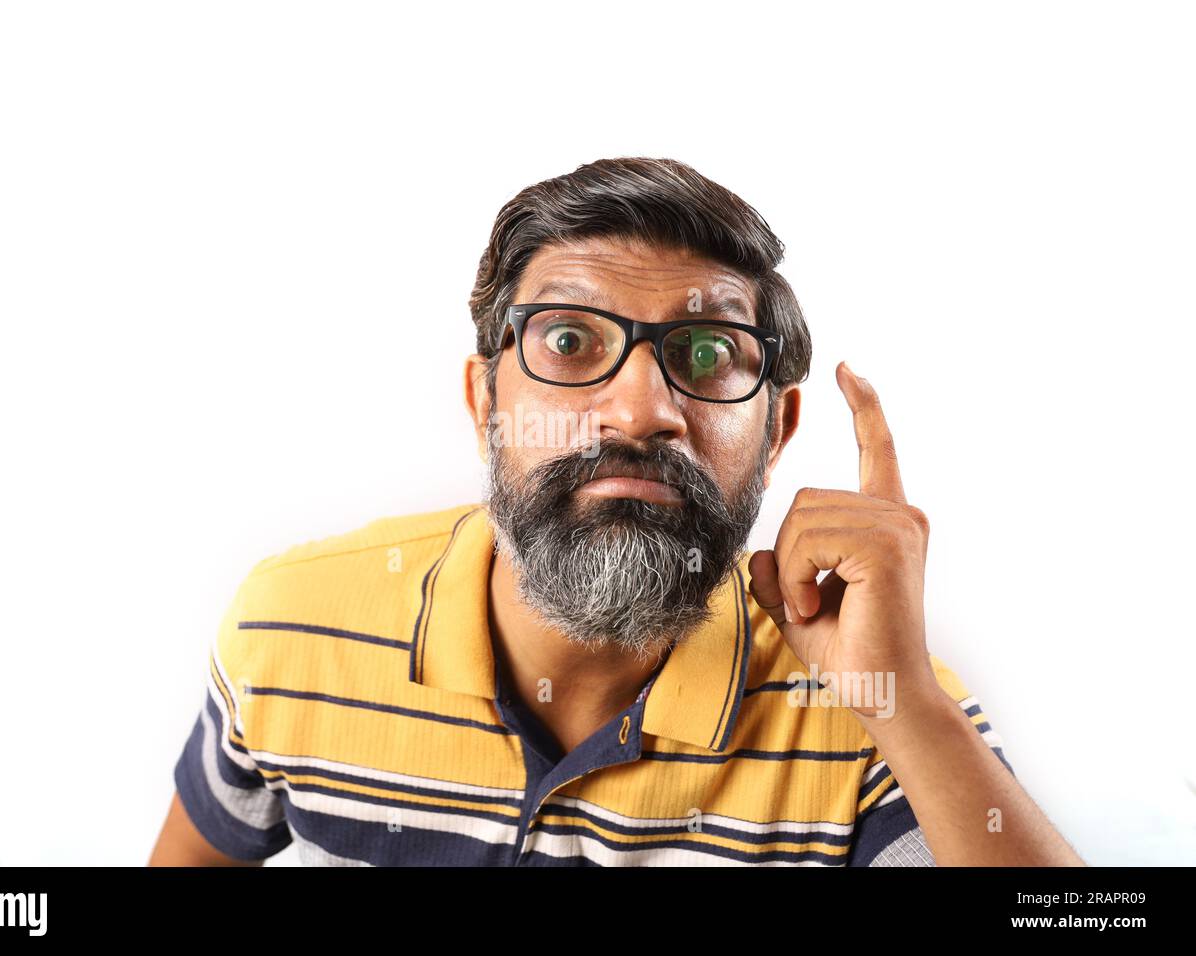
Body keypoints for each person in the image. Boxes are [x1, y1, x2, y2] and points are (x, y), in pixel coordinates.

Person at [149, 157, 1084, 866]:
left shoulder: (879, 708)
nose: (641, 411)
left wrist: (909, 706)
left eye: (710, 354)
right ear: (485, 401)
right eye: (568, 340)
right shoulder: (291, 628)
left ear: (777, 426)